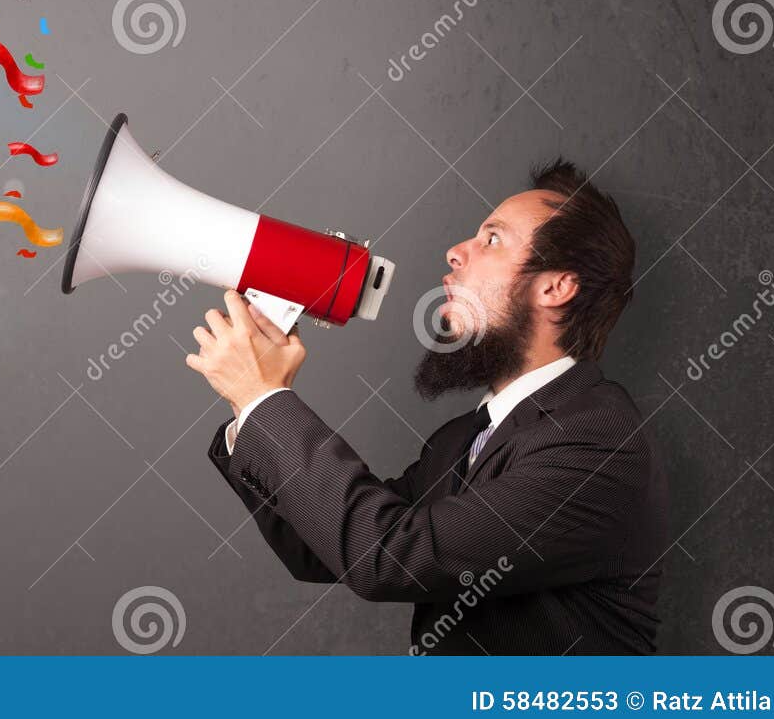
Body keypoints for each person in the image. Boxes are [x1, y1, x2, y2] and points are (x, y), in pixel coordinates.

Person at [187, 159, 667, 654]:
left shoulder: (601, 442)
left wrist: (264, 398)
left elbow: (391, 557)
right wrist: (251, 410)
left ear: (555, 287)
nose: (456, 252)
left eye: (492, 239)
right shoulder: (463, 439)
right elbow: (320, 550)